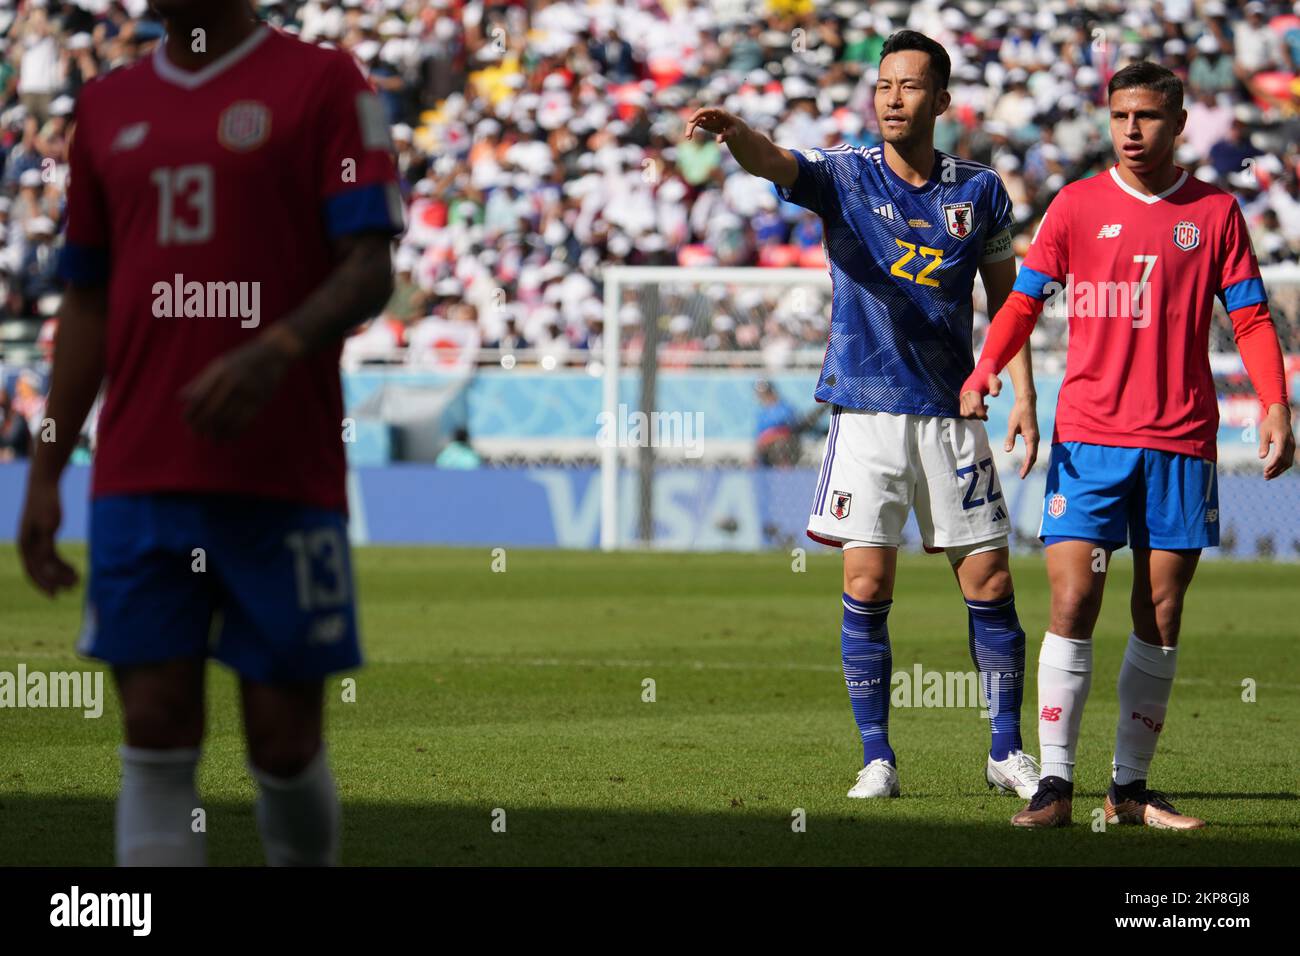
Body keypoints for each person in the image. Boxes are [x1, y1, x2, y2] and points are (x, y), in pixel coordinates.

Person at [18, 0, 401, 865]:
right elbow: (86, 303)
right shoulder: (106, 106)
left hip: (282, 470)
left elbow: (370, 267)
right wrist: (45, 471)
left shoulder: (325, 83)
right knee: (154, 727)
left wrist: (276, 350)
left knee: (283, 738)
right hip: (138, 474)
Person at [686, 30, 1042, 801]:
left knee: (989, 581)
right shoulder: (844, 174)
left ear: (941, 100)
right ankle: (878, 757)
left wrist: (1023, 392)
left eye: (909, 86)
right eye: (884, 84)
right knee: (867, 582)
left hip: (952, 411)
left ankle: (1007, 751)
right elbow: (776, 162)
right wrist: (737, 134)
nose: (892, 98)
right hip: (866, 409)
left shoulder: (979, 191)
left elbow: (1009, 301)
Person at [961, 62, 1295, 829]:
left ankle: (1130, 789)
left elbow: (1250, 317)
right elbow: (1023, 302)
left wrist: (1275, 405)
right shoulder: (1076, 206)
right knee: (1073, 598)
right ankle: (1054, 784)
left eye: (1146, 116)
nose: (1131, 130)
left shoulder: (1215, 212)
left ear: (1179, 123)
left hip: (1182, 439)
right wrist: (987, 369)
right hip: (1090, 437)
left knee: (1161, 610)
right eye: (1119, 116)